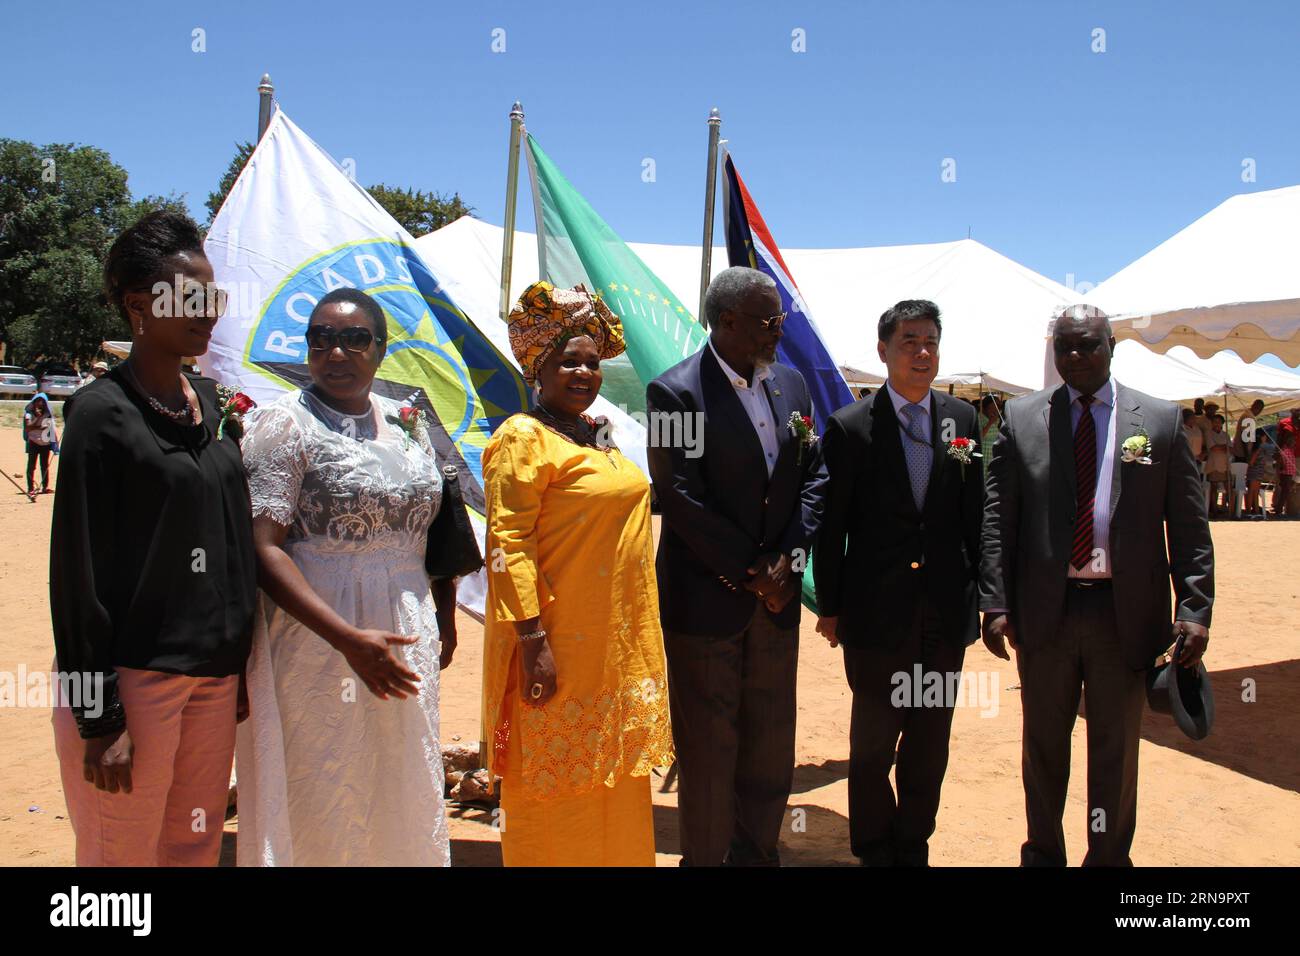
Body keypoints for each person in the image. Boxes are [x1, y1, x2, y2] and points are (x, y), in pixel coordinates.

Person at [49, 210, 257, 866]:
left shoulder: (214, 404)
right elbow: (75, 573)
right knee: (119, 861)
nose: (209, 311)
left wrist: (237, 658)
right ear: (140, 306)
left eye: (214, 296)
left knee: (192, 847)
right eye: (190, 297)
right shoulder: (100, 414)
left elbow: (229, 543)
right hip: (133, 682)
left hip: (214, 679)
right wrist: (99, 715)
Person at [980, 305, 1213, 867]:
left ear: (1112, 346)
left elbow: (1188, 523)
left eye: (1088, 346)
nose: (1076, 357)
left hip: (1124, 616)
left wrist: (1196, 607)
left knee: (1115, 749)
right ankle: (1043, 853)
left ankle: (1108, 859)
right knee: (1043, 749)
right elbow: (997, 517)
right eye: (1065, 348)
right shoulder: (1022, 417)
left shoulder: (1158, 420)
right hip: (1045, 617)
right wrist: (995, 600)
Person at [235, 287, 456, 866]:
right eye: (321, 340)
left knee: (399, 775)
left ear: (381, 349)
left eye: (354, 339)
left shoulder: (408, 422)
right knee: (326, 779)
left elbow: (435, 534)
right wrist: (346, 639)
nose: (337, 353)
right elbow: (264, 549)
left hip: (406, 631)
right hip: (317, 637)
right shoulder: (283, 425)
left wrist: (444, 615)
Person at [481, 281, 673, 866]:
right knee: (553, 787)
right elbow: (506, 544)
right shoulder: (523, 437)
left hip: (616, 652)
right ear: (539, 368)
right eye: (569, 362)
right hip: (557, 644)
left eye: (592, 362)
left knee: (614, 786)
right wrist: (532, 640)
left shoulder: (596, 438)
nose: (584, 373)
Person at [646, 266, 828, 867]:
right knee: (708, 752)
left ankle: (757, 856)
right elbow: (678, 495)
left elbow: (815, 478)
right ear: (727, 322)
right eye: (768, 320)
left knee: (770, 749)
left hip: (774, 607)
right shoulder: (675, 393)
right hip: (707, 606)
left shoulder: (793, 387)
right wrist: (751, 571)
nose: (779, 330)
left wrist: (786, 565)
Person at [814, 300, 983, 866]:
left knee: (929, 746)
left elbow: (976, 516)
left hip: (942, 618)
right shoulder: (850, 427)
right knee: (871, 749)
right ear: (883, 350)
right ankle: (873, 845)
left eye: (931, 340)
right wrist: (832, 608)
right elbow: (830, 528)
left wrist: (983, 600)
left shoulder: (963, 422)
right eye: (909, 341)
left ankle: (913, 842)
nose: (922, 351)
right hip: (874, 619)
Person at [23, 393, 57, 494]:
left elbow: (50, 429)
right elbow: (28, 427)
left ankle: (45, 487)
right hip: (34, 442)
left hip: (45, 444)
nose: (40, 403)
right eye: (38, 401)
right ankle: (30, 488)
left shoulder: (48, 414)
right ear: (34, 403)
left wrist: (54, 445)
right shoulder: (29, 414)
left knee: (44, 466)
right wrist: (37, 418)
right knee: (31, 466)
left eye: (42, 401)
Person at [1205, 414, 1232, 516]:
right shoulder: (1208, 434)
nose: (1216, 424)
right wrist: (1223, 447)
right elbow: (1212, 448)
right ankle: (1214, 509)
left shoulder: (1226, 435)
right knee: (1214, 487)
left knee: (1227, 486)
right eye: (1214, 421)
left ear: (1222, 423)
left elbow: (1230, 448)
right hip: (1214, 464)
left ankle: (1226, 508)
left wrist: (1222, 447)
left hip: (1225, 464)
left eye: (1218, 421)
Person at [1273, 428, 1295, 517]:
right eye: (1293, 441)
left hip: (1289, 474)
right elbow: (1280, 462)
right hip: (1286, 474)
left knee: (1286, 492)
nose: (1294, 443)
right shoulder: (1284, 451)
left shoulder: (1289, 450)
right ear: (1288, 441)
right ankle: (1278, 510)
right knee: (1284, 493)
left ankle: (1282, 509)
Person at [979, 394, 1000, 479]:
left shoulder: (996, 419)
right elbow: (979, 437)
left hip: (991, 455)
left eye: (998, 406)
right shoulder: (979, 418)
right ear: (986, 407)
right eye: (993, 406)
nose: (996, 409)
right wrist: (990, 423)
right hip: (983, 454)